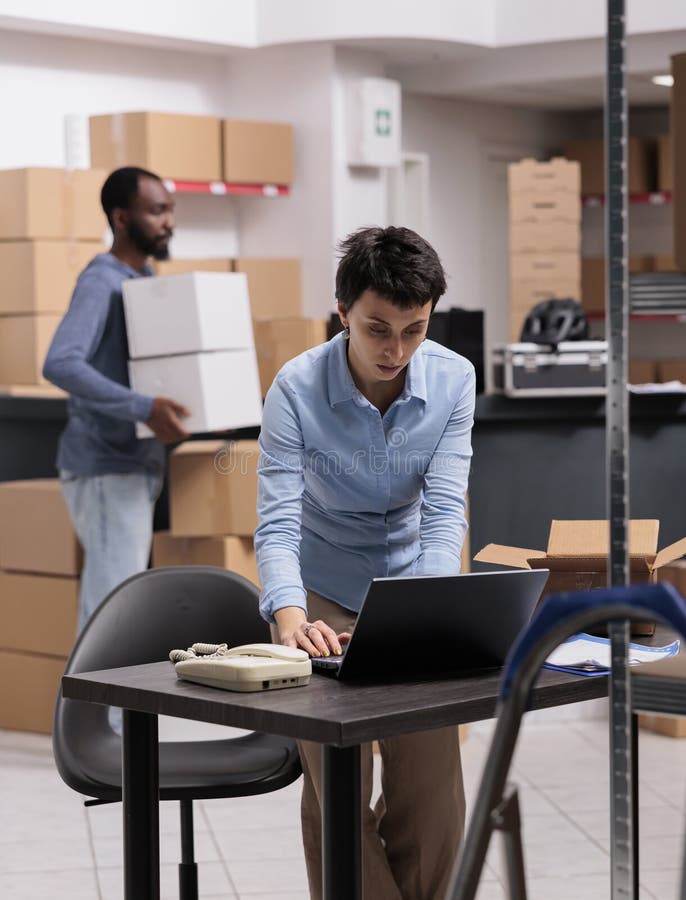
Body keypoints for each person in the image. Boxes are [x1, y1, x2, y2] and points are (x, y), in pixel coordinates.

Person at [255, 225, 475, 900]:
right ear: (343, 310)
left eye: (415, 330)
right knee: (339, 792)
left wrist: (429, 608)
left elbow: (443, 515)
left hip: (413, 587)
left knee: (434, 800)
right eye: (379, 328)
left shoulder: (453, 380)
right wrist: (291, 622)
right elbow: (277, 521)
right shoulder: (295, 389)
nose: (396, 350)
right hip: (320, 594)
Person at [43, 166, 190, 636]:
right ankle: (92, 713)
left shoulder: (143, 278)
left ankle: (110, 713)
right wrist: (144, 407)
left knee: (119, 613)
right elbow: (61, 363)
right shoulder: (101, 282)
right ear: (122, 218)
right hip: (105, 468)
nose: (168, 221)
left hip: (135, 465)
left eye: (170, 210)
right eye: (156, 210)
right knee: (108, 619)